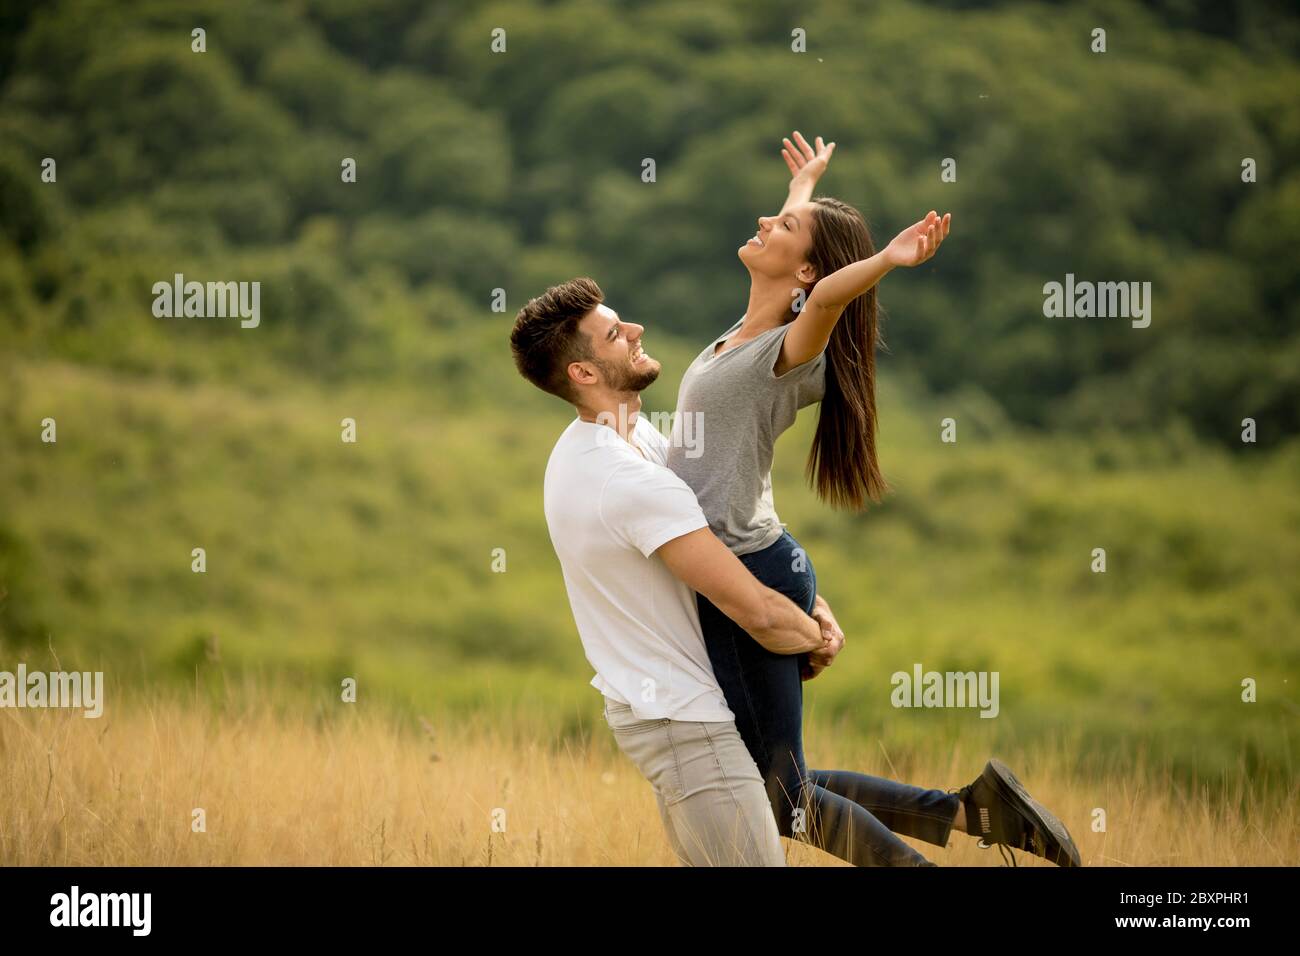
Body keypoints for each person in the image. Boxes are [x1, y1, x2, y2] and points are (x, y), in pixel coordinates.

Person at [663, 130, 1081, 867]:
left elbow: (824, 293)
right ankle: (969, 811)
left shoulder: (788, 352)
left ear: (808, 270)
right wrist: (804, 189)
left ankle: (945, 837)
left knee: (779, 796)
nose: (765, 222)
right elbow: (808, 263)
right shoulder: (749, 330)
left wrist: (886, 259)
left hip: (748, 573)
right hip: (750, 562)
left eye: (782, 226)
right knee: (772, 787)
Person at [509, 278, 836, 866]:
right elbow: (756, 611)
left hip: (670, 714)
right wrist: (816, 639)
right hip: (685, 724)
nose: (634, 331)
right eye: (614, 334)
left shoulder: (629, 439)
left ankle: (954, 815)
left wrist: (812, 607)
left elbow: (740, 538)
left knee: (799, 800)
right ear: (583, 373)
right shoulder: (626, 480)